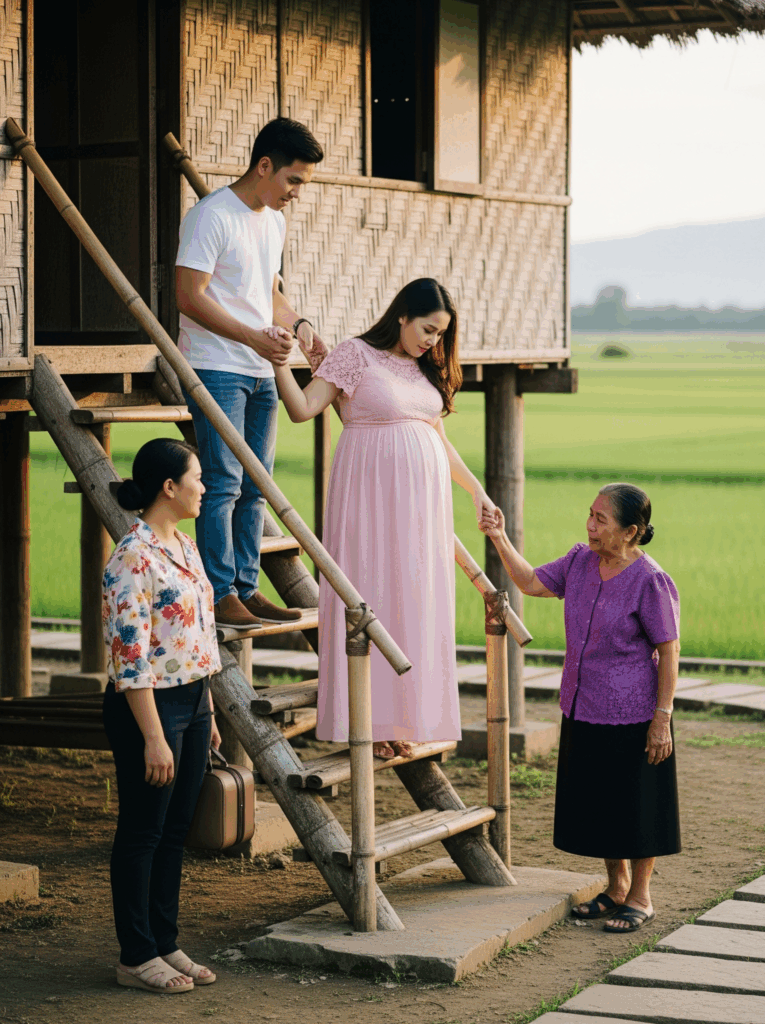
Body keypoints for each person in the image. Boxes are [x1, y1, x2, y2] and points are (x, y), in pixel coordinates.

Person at [274, 278, 495, 757]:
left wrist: (476, 491)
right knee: (372, 590)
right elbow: (303, 408)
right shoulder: (355, 355)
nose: (431, 341)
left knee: (415, 596)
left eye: (439, 335)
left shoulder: (424, 372)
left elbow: (437, 437)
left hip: (422, 510)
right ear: (402, 315)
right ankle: (371, 722)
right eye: (427, 329)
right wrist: (278, 367)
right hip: (369, 498)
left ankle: (405, 717)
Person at [481, 483, 681, 933]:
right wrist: (499, 537)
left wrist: (662, 719)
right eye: (589, 515)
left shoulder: (650, 580)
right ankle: (615, 888)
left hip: (634, 711)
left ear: (631, 532)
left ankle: (641, 897)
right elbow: (531, 582)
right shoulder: (578, 562)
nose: (590, 526)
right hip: (583, 702)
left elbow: (669, 650)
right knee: (604, 803)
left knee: (637, 804)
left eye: (601, 520)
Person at [175, 116, 326, 630]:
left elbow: (269, 294)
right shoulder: (210, 216)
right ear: (265, 166)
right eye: (294, 181)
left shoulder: (273, 221)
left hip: (262, 367)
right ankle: (220, 594)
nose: (297, 194)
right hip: (216, 366)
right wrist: (251, 337)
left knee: (255, 484)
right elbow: (187, 297)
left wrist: (299, 325)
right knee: (222, 482)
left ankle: (246, 586)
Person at [102, 438, 223, 993]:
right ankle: (135, 954)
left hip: (194, 702)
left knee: (175, 831)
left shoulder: (187, 547)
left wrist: (210, 711)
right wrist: (154, 737)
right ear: (169, 487)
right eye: (197, 476)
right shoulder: (132, 556)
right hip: (149, 709)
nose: (204, 485)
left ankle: (165, 941)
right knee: (143, 831)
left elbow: (200, 636)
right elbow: (130, 658)